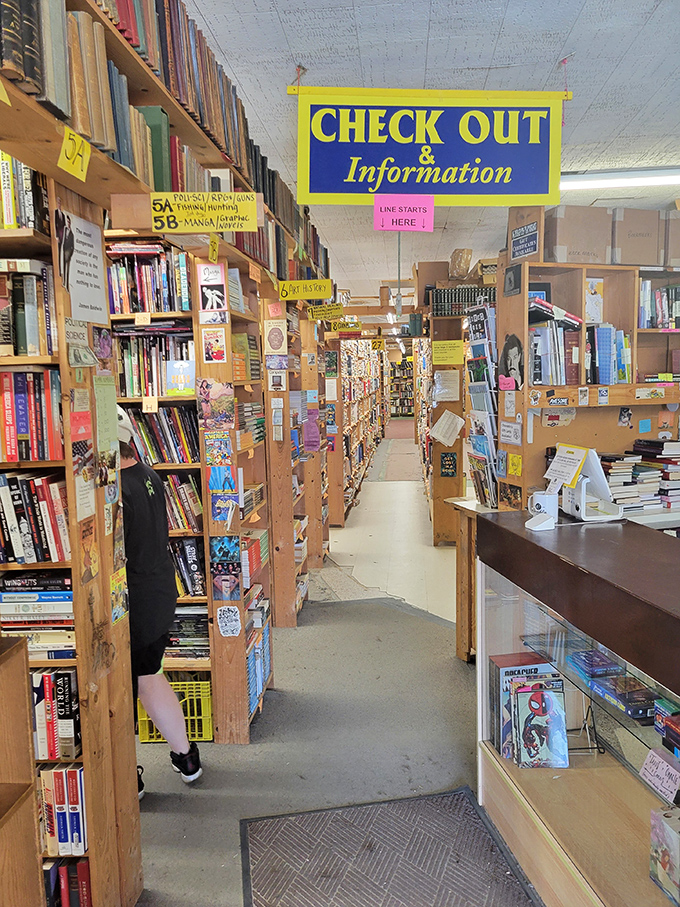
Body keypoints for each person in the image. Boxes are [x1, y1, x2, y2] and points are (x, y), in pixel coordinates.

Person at [117, 406, 202, 798]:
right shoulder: (149, 475)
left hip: (132, 604)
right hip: (158, 594)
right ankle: (187, 758)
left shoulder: (114, 491)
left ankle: (126, 779)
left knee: (118, 692)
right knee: (149, 676)